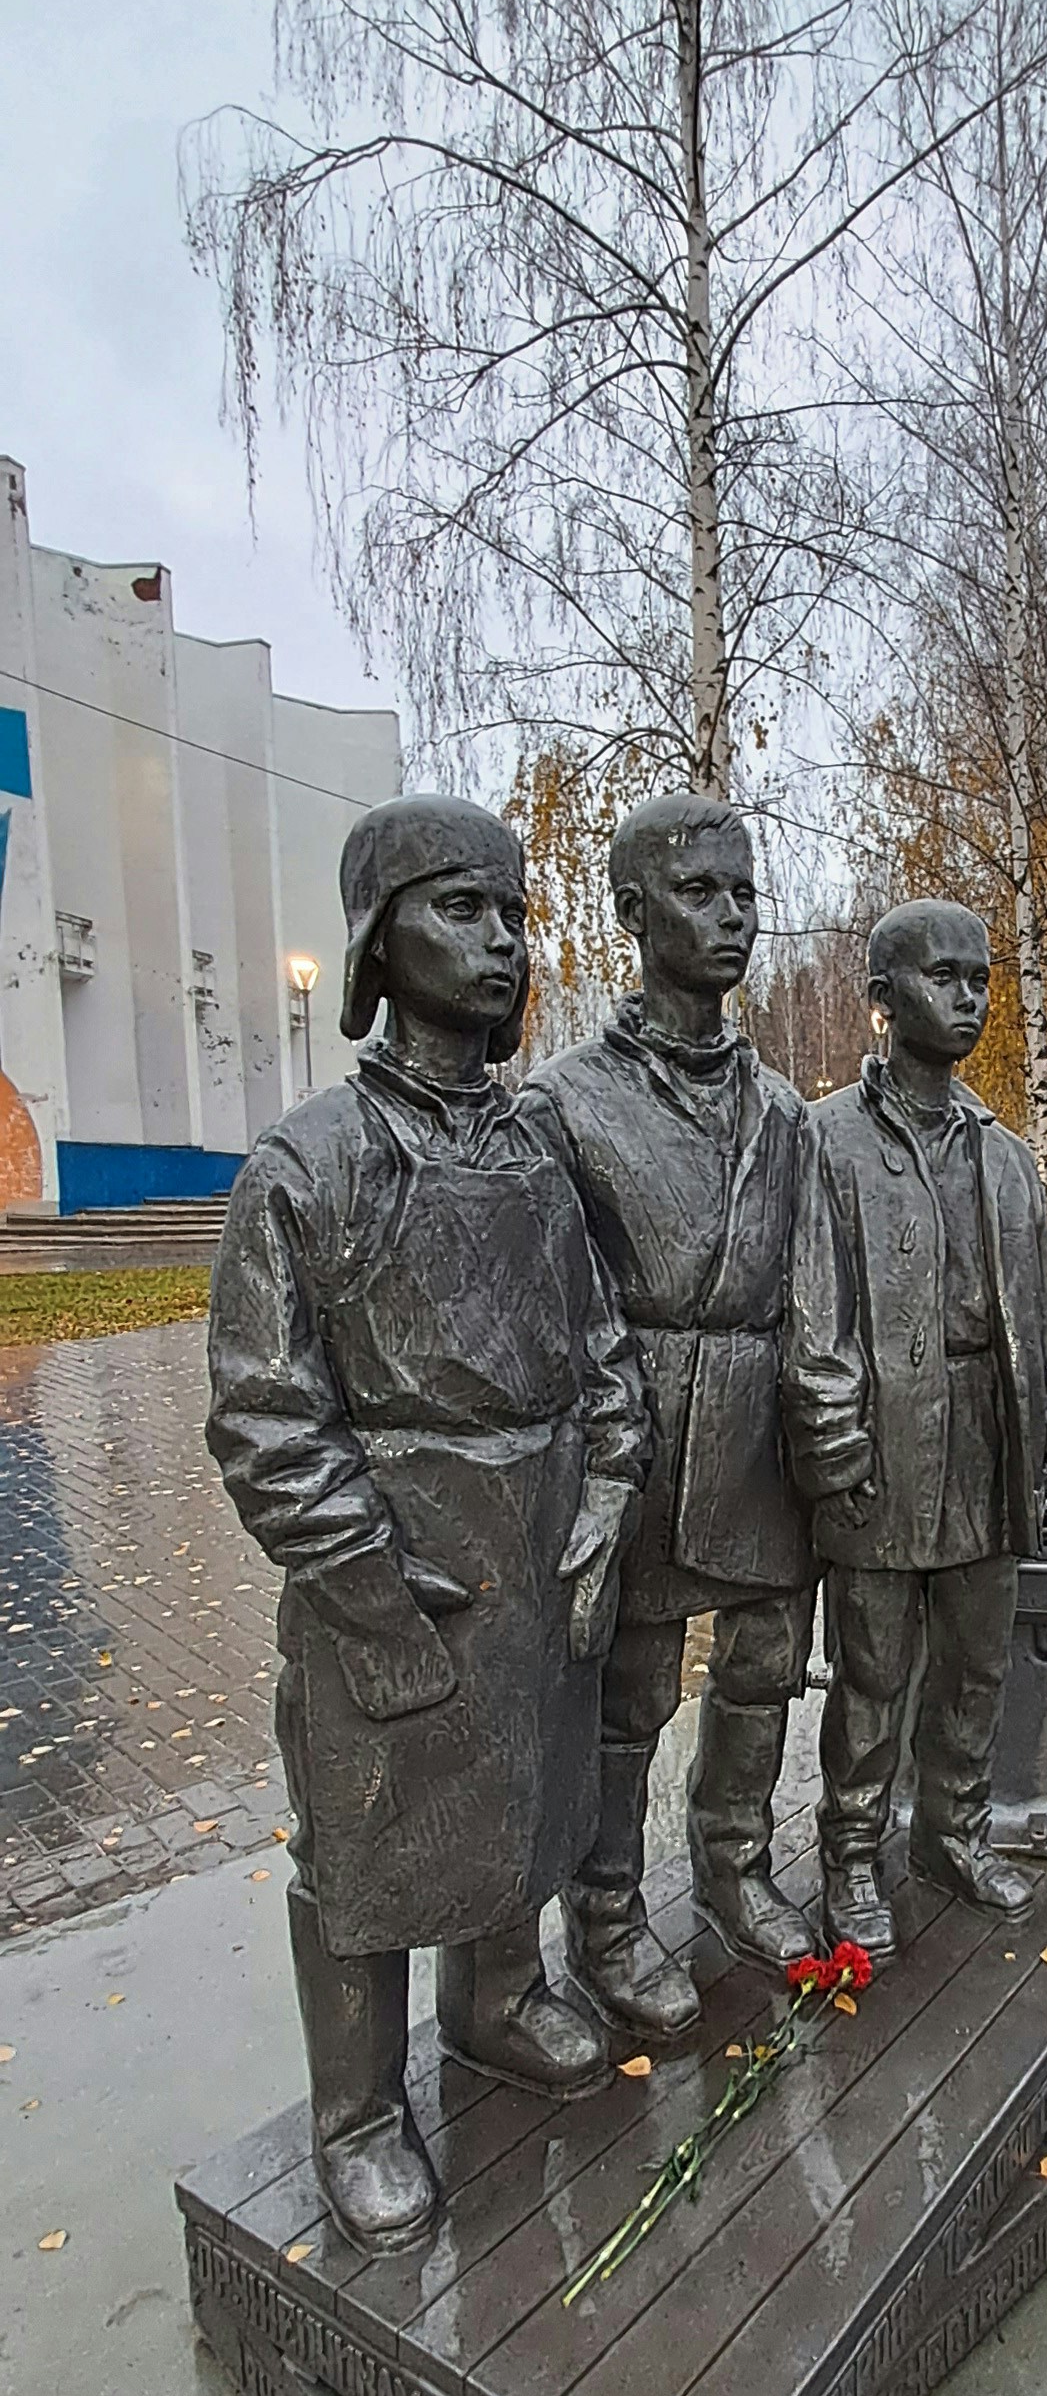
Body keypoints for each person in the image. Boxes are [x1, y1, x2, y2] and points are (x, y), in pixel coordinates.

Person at [206, 797, 650, 2255]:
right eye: (462, 909)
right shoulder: (309, 1164)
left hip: (538, 1547)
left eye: (515, 913)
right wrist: (369, 1577)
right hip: (395, 1570)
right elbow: (267, 1419)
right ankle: (356, 2110)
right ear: (376, 941)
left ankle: (498, 1998)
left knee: (524, 1798)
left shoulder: (537, 1152)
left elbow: (604, 1357)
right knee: (371, 1840)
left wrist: (600, 1499)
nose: (505, 942)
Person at [521, 794, 815, 2034]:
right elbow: (549, 1312)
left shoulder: (785, 1110)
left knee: (762, 1662)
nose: (734, 916)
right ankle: (605, 1914)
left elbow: (815, 1286)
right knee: (627, 1690)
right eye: (701, 893)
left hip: (759, 1424)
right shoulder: (565, 1104)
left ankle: (735, 1869)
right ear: (633, 915)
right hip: (633, 1430)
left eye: (745, 892)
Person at [782, 899, 1047, 1958]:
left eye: (981, 979)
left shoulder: (1002, 1155)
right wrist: (835, 1456)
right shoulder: (825, 1142)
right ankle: (852, 1855)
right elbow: (811, 1316)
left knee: (973, 1666)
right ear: (882, 1001)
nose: (969, 998)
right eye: (944, 978)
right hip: (883, 1445)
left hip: (987, 1447)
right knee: (872, 1673)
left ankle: (951, 1836)